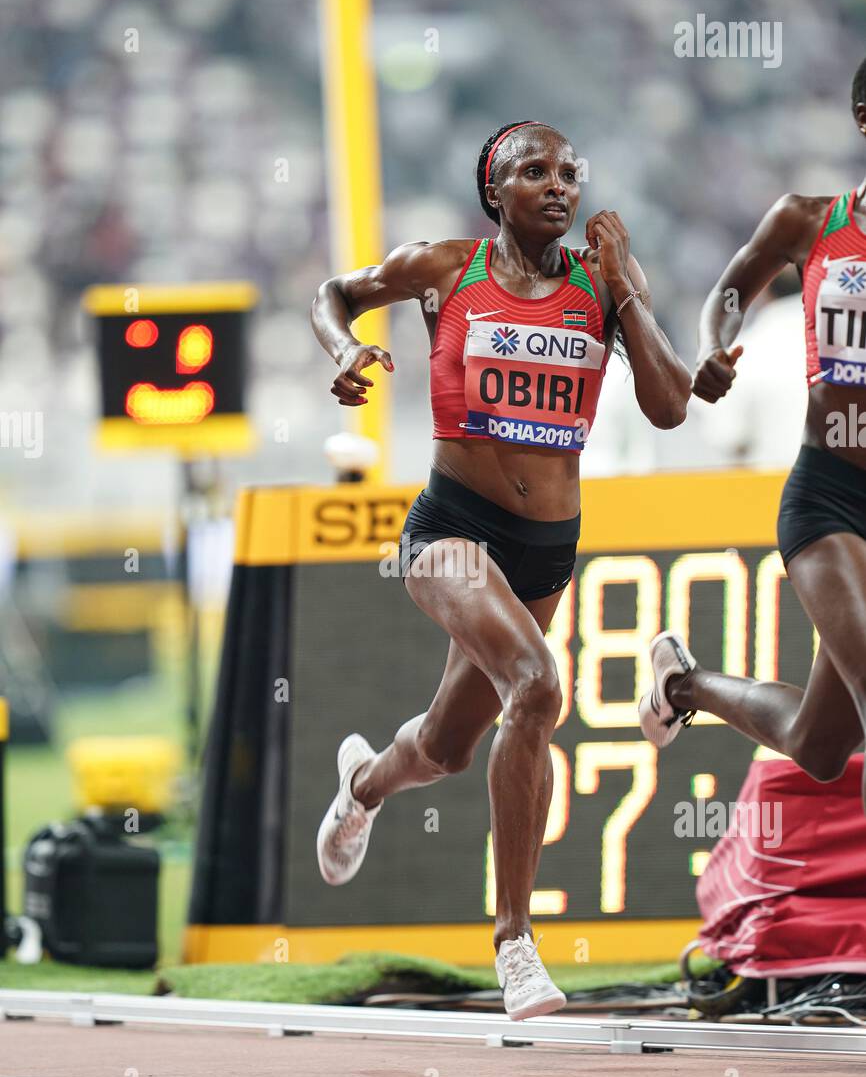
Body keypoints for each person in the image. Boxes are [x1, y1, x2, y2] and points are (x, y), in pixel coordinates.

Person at [312, 120, 691, 1019]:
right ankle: (515, 943)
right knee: (537, 684)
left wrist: (628, 289)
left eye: (568, 172)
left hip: (544, 553)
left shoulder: (602, 282)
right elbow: (336, 293)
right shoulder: (447, 269)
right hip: (451, 529)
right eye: (534, 172)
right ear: (496, 192)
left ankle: (362, 787)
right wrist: (345, 349)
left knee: (445, 749)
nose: (558, 185)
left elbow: (671, 406)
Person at [640, 59, 866, 812]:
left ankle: (683, 685)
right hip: (831, 502)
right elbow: (730, 293)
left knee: (820, 747)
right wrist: (711, 346)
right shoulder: (810, 221)